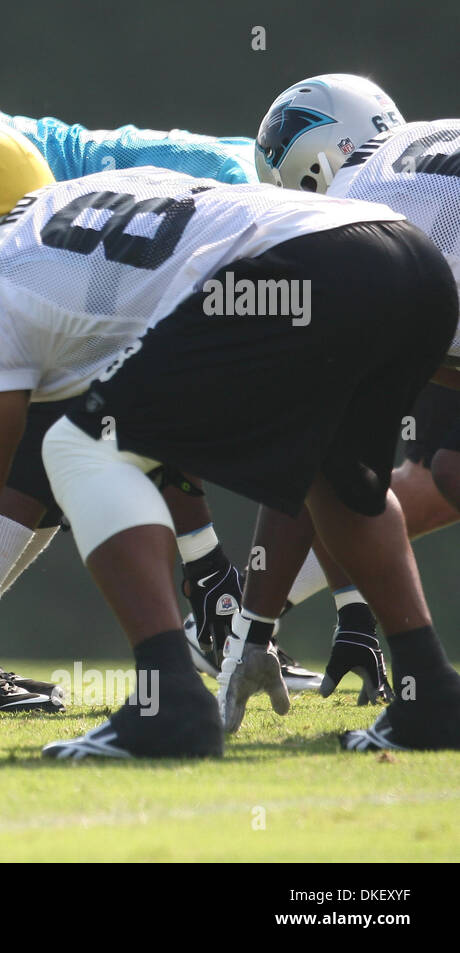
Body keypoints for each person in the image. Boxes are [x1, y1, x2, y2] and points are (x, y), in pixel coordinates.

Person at [0, 118, 460, 757]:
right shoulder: (106, 204)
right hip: (410, 259)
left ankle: (168, 702)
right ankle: (431, 694)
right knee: (337, 475)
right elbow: (161, 426)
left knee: (75, 445)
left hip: (297, 270)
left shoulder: (3, 274)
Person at [0, 103, 318, 714]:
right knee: (32, 426)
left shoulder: (254, 185)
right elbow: (150, 386)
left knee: (53, 427)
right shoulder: (250, 202)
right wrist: (207, 566)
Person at [230, 74, 460, 745]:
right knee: (448, 470)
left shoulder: (348, 223)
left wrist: (253, 629)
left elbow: (309, 459)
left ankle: (429, 697)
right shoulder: (418, 158)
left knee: (333, 462)